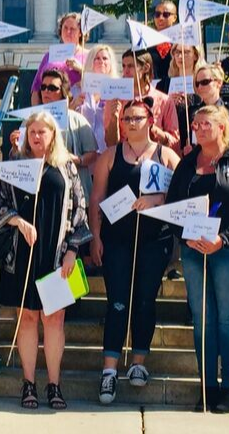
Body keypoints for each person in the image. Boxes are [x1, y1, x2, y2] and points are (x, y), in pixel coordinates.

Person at [0, 112, 92, 410]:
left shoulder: (66, 168)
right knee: (28, 316)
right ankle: (29, 382)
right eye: (31, 131)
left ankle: (54, 385)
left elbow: (80, 212)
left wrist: (73, 250)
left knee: (55, 318)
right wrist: (18, 221)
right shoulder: (15, 167)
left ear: (52, 134)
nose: (36, 136)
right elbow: (1, 207)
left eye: (42, 131)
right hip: (23, 253)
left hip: (58, 254)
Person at [166, 105, 229, 414]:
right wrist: (184, 235)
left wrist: (224, 238)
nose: (199, 128)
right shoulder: (187, 163)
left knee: (228, 317)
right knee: (203, 319)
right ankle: (207, 386)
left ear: (221, 128)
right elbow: (172, 205)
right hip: (193, 249)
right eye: (196, 123)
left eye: (206, 123)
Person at [88, 100, 181, 403]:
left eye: (137, 117)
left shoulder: (166, 156)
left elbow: (181, 198)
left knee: (144, 300)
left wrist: (157, 202)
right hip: (117, 241)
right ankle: (109, 370)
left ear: (151, 120)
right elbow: (96, 198)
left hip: (155, 241)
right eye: (126, 118)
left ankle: (139, 361)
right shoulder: (110, 156)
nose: (130, 123)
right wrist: (96, 237)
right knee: (117, 302)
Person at [10, 70, 98, 197]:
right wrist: (15, 146)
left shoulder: (77, 119)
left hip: (72, 191)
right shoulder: (29, 120)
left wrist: (77, 160)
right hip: (40, 191)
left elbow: (93, 154)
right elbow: (21, 154)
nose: (46, 91)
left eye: (52, 88)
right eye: (43, 87)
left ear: (63, 92)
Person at [106, 52, 179, 151]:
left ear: (145, 68)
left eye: (131, 66)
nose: (125, 71)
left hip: (155, 158)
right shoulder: (115, 99)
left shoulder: (164, 100)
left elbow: (175, 142)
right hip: (124, 158)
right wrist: (114, 120)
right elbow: (110, 144)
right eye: (123, 66)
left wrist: (154, 130)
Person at [31, 12, 89, 105]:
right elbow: (36, 88)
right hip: (50, 108)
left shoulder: (89, 55)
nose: (68, 32)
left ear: (80, 33)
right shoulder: (49, 55)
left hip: (77, 107)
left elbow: (96, 85)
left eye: (72, 29)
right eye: (65, 28)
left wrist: (80, 69)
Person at [72, 44, 118, 154]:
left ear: (111, 64)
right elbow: (67, 117)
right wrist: (74, 105)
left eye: (105, 58)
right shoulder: (77, 89)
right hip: (82, 150)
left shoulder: (118, 89)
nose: (101, 61)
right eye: (97, 58)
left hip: (107, 150)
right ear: (90, 62)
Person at [147, 0, 179, 92]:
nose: (160, 18)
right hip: (153, 90)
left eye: (166, 14)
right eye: (157, 14)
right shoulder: (147, 42)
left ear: (174, 17)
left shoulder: (182, 42)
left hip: (176, 90)